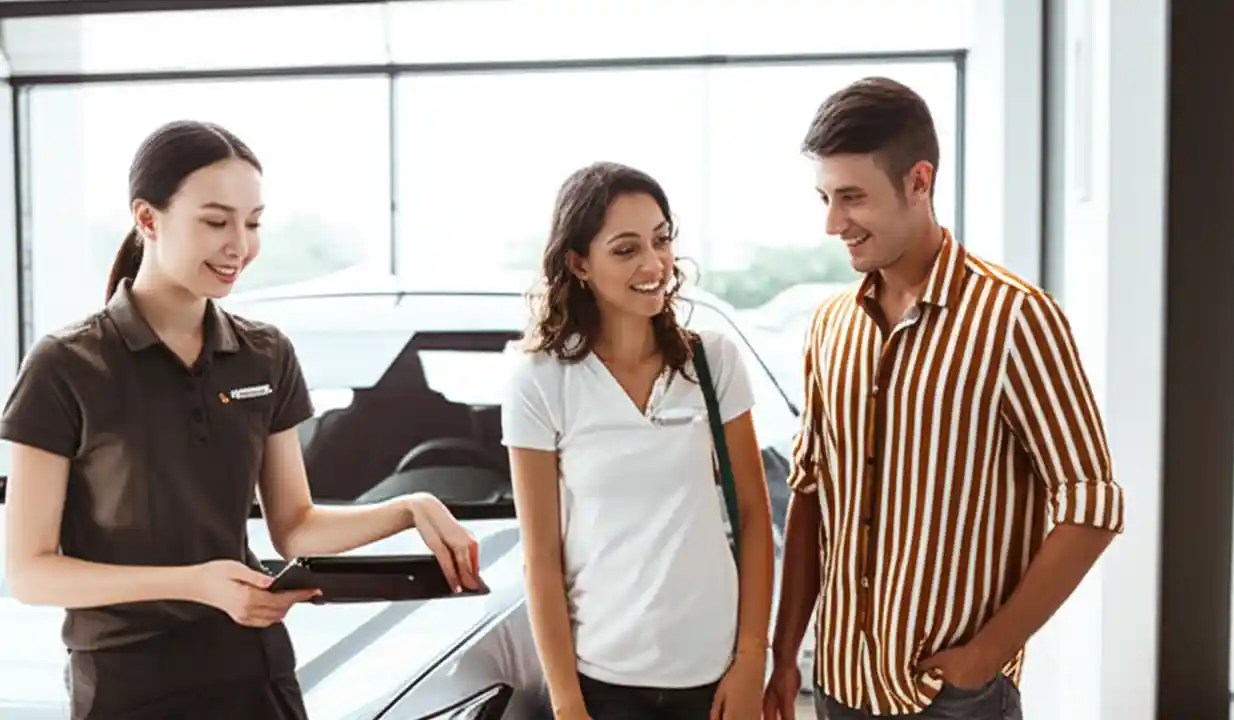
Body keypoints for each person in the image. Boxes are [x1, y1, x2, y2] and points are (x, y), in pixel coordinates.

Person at [0, 120, 484, 720]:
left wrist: (410, 508)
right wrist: (193, 584)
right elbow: (32, 573)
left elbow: (296, 528)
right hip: (127, 681)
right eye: (216, 222)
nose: (240, 246)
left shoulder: (265, 353)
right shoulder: (67, 365)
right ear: (147, 219)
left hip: (254, 670)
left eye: (252, 223)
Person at [762, 78, 1125, 720]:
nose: (833, 224)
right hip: (840, 687)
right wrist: (785, 654)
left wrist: (987, 654)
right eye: (825, 198)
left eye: (852, 197)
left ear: (919, 182)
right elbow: (811, 494)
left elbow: (1091, 503)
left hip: (953, 697)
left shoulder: (1016, 318)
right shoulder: (830, 327)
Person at [502, 162, 775, 720]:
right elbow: (541, 558)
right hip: (603, 685)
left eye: (661, 240)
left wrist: (752, 660)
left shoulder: (712, 361)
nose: (654, 265)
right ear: (579, 263)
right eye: (626, 250)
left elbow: (753, 515)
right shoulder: (541, 378)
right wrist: (568, 704)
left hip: (715, 679)